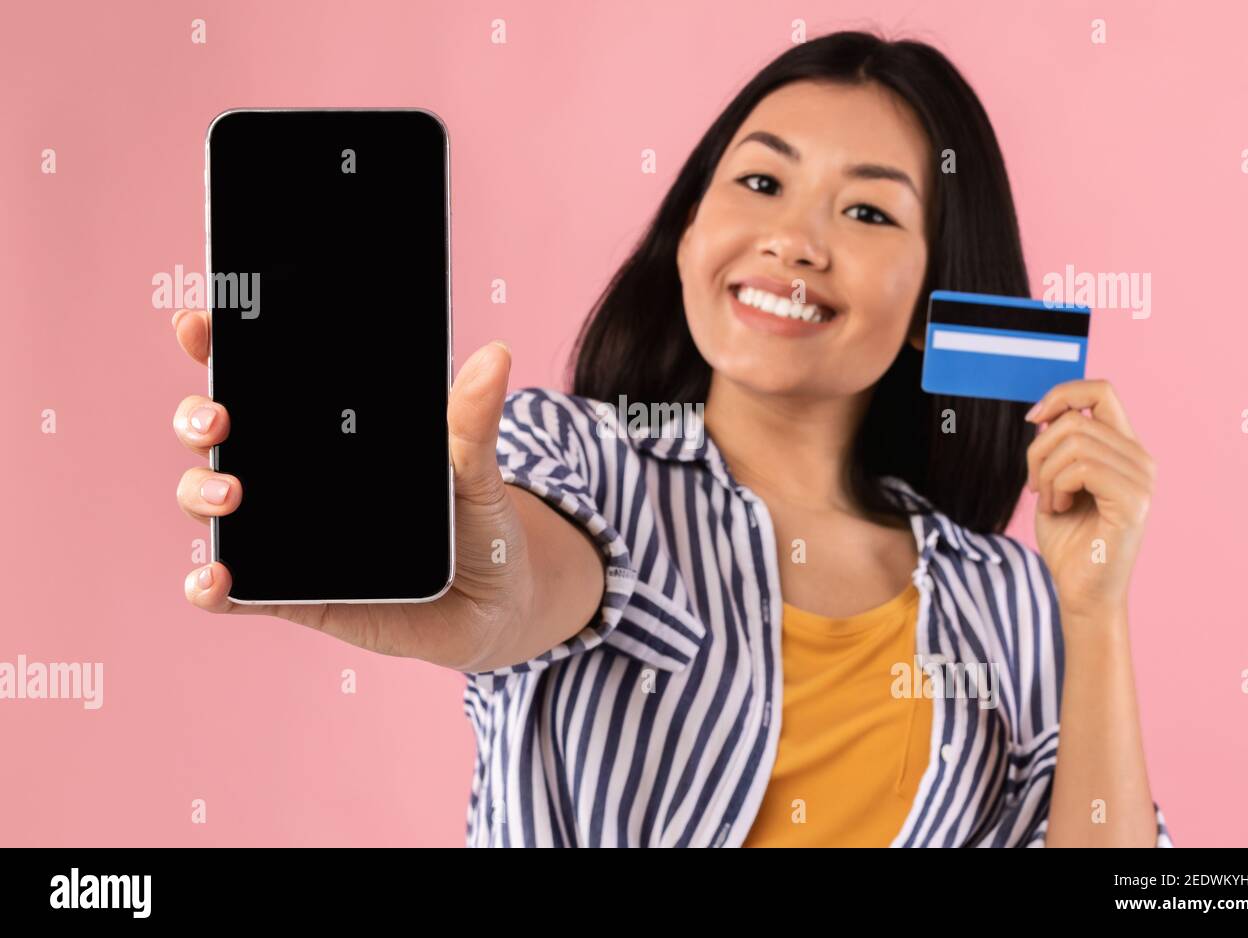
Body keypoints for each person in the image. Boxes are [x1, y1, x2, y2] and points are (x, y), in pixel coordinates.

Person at [171, 30, 1172, 847]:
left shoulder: (1009, 602)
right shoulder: (573, 458)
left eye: (866, 208)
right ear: (690, 234)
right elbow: (533, 576)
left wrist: (1094, 609)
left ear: (929, 301)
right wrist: (485, 577)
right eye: (761, 184)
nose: (794, 239)